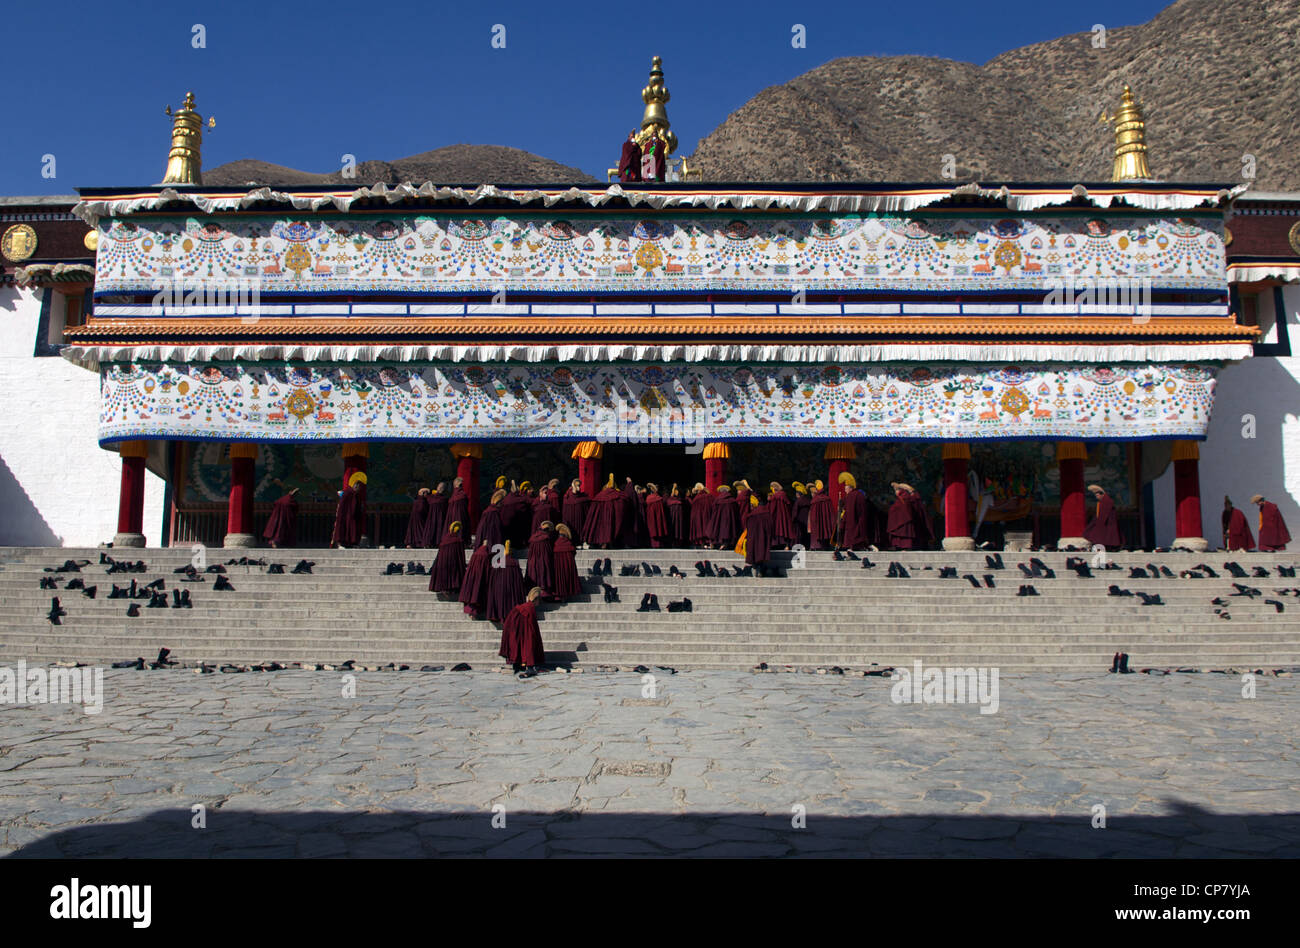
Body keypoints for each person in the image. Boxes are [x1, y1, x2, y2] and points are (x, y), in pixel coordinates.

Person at [500, 587, 545, 677]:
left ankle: (518, 663)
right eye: (539, 600)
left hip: (512, 623)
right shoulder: (530, 608)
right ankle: (528, 665)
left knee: (518, 642)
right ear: (536, 599)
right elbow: (532, 627)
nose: (539, 603)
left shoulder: (527, 606)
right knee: (528, 641)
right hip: (515, 624)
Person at [487, 541, 527, 623]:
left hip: (500, 587)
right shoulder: (514, 563)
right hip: (512, 588)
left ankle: (500, 617)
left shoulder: (498, 563)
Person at [584, 473, 625, 548]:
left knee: (602, 529)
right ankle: (608, 543)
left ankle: (602, 543)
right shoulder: (619, 495)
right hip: (612, 519)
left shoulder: (600, 495)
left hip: (601, 519)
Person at [331, 473, 367, 548]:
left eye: (360, 487)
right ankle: (341, 544)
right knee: (344, 529)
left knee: (353, 530)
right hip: (346, 516)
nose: (359, 488)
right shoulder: (347, 493)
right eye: (358, 486)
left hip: (354, 516)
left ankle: (352, 543)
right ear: (354, 485)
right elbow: (342, 507)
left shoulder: (356, 494)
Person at [429, 521, 466, 594]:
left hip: (442, 565)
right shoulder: (458, 541)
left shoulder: (444, 541)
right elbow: (460, 557)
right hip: (453, 565)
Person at [1082, 484, 1123, 550]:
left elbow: (1105, 512)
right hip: (1101, 522)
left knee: (1109, 536)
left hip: (1109, 523)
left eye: (1098, 495)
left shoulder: (1107, 501)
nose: (1096, 497)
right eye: (1095, 495)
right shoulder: (1100, 502)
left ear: (1102, 495)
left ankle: (1111, 547)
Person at [458, 541, 492, 618]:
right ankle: (475, 613)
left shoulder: (475, 554)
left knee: (472, 594)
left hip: (471, 577)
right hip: (481, 577)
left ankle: (470, 612)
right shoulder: (485, 555)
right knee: (477, 594)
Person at [525, 521, 556, 597]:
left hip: (532, 561)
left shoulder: (533, 538)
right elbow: (549, 552)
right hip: (543, 560)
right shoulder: (546, 538)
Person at [551, 523, 580, 600]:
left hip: (558, 568)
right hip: (568, 567)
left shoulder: (555, 544)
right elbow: (573, 553)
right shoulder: (569, 544)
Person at [710, 484, 742, 550]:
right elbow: (736, 511)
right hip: (729, 519)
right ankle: (725, 544)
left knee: (718, 529)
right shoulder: (732, 500)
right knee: (727, 531)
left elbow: (713, 511)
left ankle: (716, 543)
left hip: (719, 519)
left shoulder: (717, 500)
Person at [745, 492, 773, 567]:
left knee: (755, 548)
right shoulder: (767, 512)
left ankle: (757, 566)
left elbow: (749, 528)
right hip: (764, 536)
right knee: (762, 548)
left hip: (754, 537)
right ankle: (760, 567)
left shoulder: (752, 515)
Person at [808, 480, 836, 550]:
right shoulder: (827, 499)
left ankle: (817, 546)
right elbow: (831, 513)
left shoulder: (814, 500)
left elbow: (813, 516)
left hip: (817, 522)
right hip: (826, 521)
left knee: (818, 531)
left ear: (817, 490)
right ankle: (826, 545)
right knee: (826, 531)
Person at [562, 479, 590, 545]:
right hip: (570, 521)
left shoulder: (583, 497)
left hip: (580, 520)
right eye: (577, 486)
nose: (579, 488)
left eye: (579, 486)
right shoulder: (567, 497)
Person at [768, 482, 794, 549]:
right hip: (785, 517)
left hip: (776, 517)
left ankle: (777, 545)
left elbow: (772, 509)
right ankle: (786, 545)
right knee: (784, 529)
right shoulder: (784, 495)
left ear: (774, 489)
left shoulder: (775, 497)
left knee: (777, 529)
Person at [688, 483, 714, 548]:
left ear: (698, 491)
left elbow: (694, 513)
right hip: (709, 517)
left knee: (701, 529)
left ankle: (702, 544)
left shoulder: (696, 499)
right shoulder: (710, 496)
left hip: (699, 519)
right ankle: (711, 543)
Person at [425, 482, 449, 549]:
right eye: (440, 487)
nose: (441, 489)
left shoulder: (443, 499)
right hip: (434, 518)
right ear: (437, 488)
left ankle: (435, 543)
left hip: (439, 518)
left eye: (442, 487)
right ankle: (431, 543)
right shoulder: (441, 499)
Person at [645, 483, 669, 548]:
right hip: (659, 518)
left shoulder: (648, 498)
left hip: (651, 519)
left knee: (653, 529)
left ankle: (653, 545)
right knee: (659, 529)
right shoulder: (659, 498)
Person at [791, 481, 811, 549]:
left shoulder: (798, 501)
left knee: (799, 536)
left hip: (799, 522)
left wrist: (793, 520)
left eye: (796, 493)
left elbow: (795, 512)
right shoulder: (808, 500)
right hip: (807, 521)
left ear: (798, 494)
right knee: (807, 535)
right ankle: (807, 547)